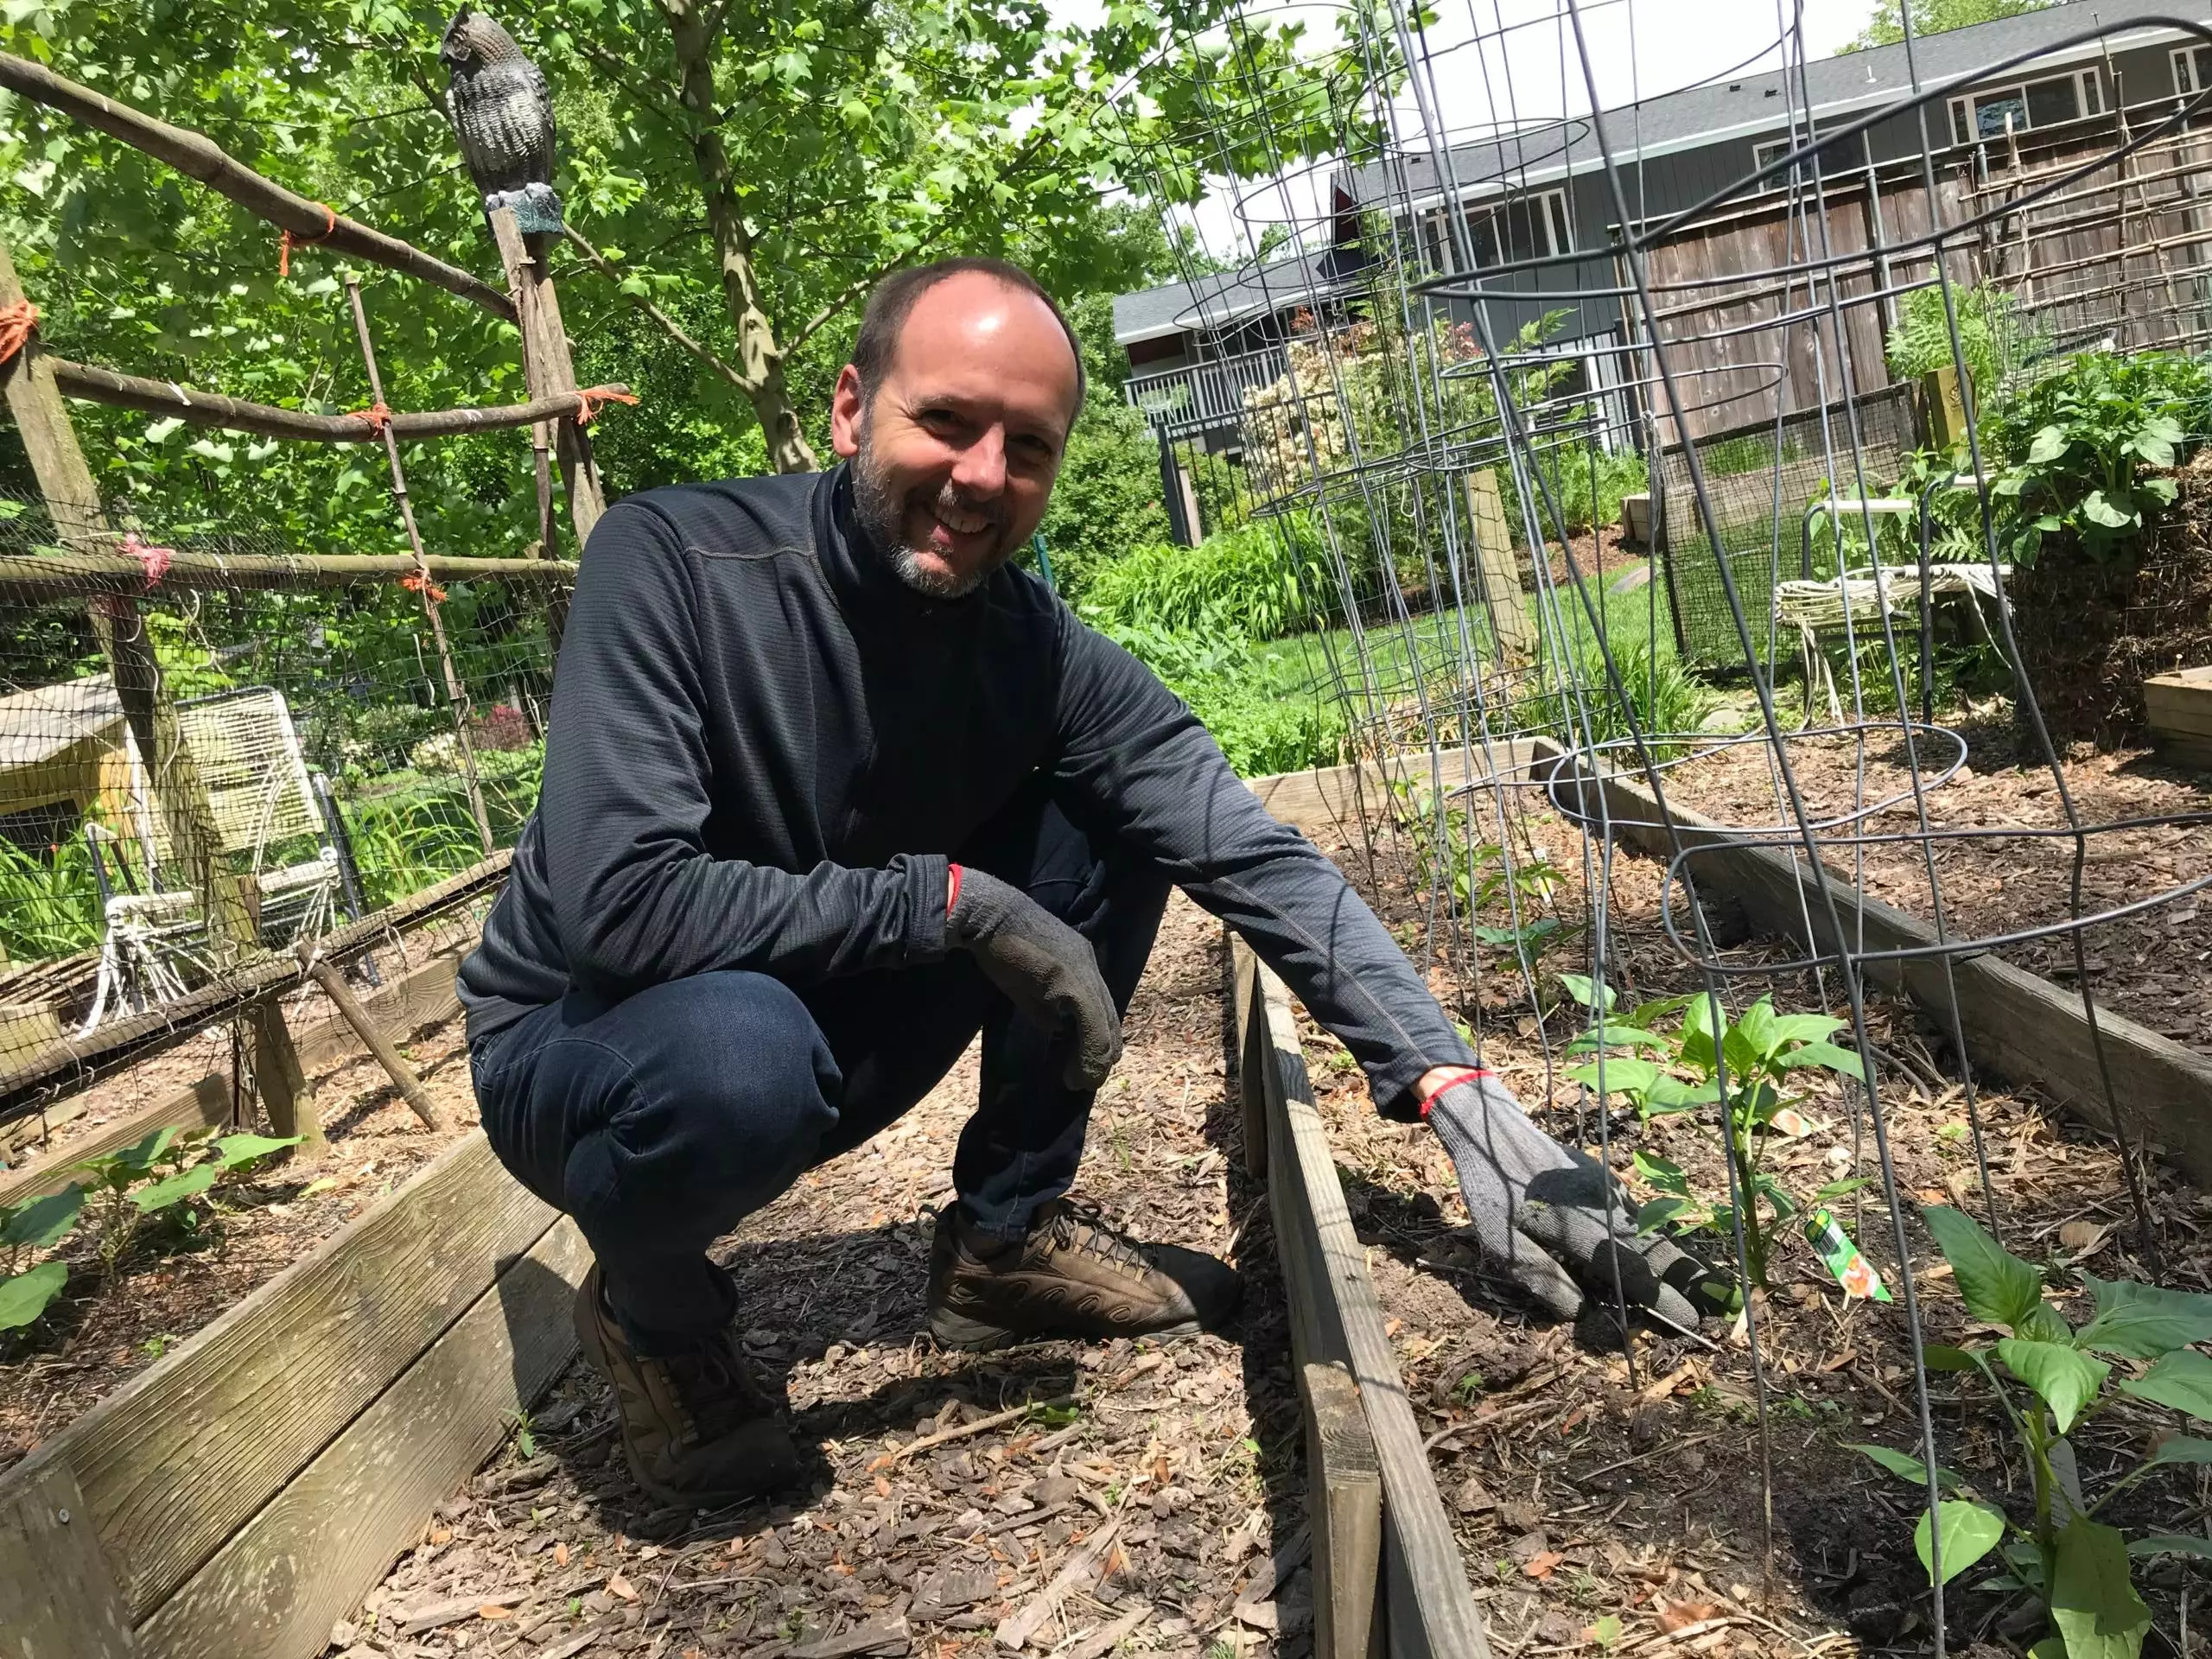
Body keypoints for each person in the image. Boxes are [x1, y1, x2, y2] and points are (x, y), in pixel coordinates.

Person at [458, 257, 1709, 1510]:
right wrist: (952, 904)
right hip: (592, 1046)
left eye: (1029, 447)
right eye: (945, 421)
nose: (983, 477)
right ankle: (661, 1326)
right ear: (851, 409)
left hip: (817, 998)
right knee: (740, 1058)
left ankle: (1004, 1240)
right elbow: (621, 910)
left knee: (1110, 822)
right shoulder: (674, 564)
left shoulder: (1027, 644)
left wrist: (1451, 1087)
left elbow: (1240, 841)